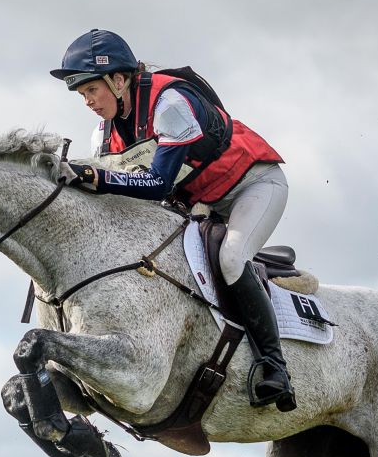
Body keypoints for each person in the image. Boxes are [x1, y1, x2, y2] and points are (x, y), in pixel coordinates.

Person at [50, 28, 296, 411]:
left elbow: (156, 184)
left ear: (118, 80)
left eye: (91, 90)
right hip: (201, 203)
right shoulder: (104, 130)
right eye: (81, 95)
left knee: (231, 258)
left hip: (253, 185)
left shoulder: (170, 102)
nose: (88, 102)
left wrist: (95, 177)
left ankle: (274, 366)